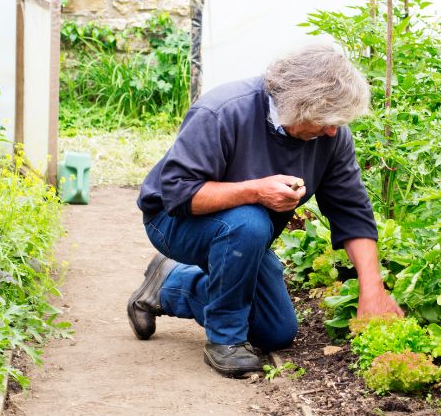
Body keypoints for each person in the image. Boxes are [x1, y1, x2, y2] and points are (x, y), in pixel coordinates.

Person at [129, 43, 403, 378]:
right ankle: (224, 341)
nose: (332, 130)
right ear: (298, 104)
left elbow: (353, 211)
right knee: (250, 221)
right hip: (173, 222)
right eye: (325, 120)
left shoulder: (330, 137)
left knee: (276, 331)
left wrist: (372, 288)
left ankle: (169, 285)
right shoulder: (224, 111)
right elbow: (178, 194)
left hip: (242, 239)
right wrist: (256, 190)